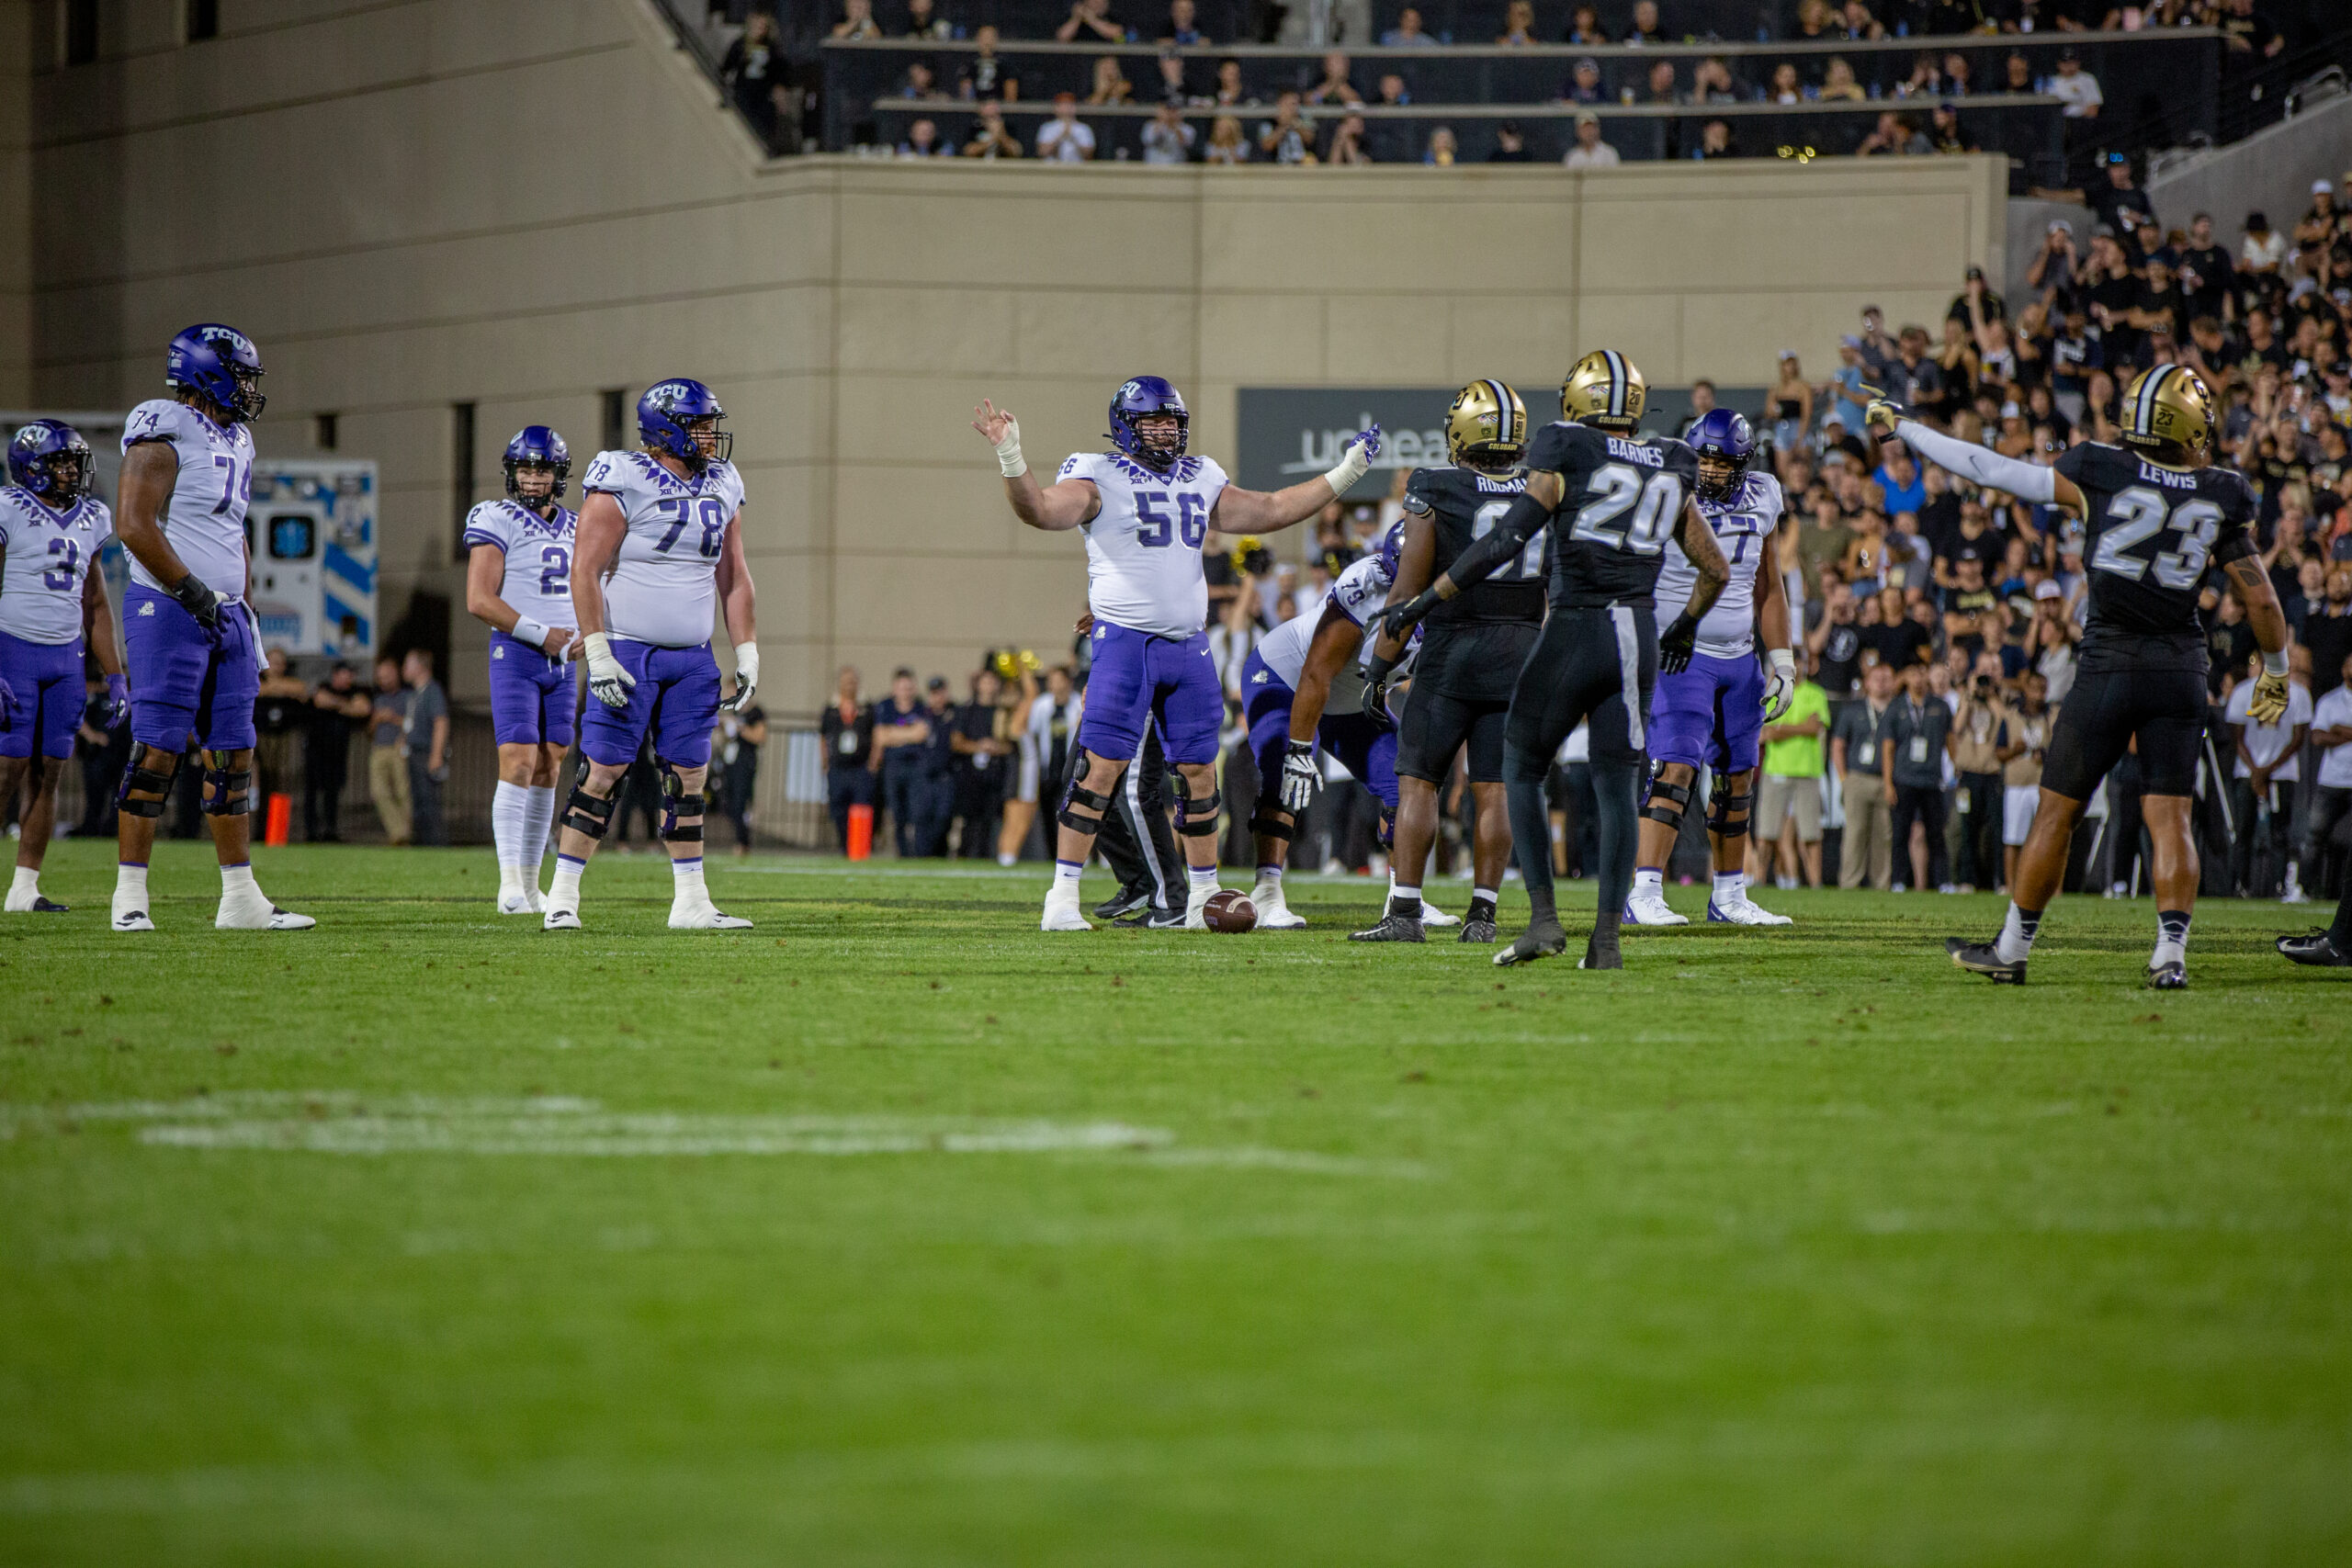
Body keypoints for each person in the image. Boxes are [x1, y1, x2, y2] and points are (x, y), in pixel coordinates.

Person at [1877, 366, 2290, 988]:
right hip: (2180, 669)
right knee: (2171, 815)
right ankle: (2170, 955)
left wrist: (1906, 426)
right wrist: (2276, 669)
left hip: (2106, 664)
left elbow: (1988, 468)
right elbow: (2259, 599)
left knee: (2055, 814)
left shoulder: (2100, 466)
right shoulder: (2223, 490)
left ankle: (2014, 948)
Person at [972, 377, 1379, 931]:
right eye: (1153, 422)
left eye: (1172, 421)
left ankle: (1200, 898)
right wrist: (1011, 455)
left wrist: (1346, 474)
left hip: (1189, 645)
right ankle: (1062, 896)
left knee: (1200, 774)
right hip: (1126, 642)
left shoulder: (1201, 475)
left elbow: (1271, 507)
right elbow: (1039, 510)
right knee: (1100, 768)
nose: (1166, 431)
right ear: (1124, 426)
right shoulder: (1099, 473)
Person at [1375, 350, 1728, 969]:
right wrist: (1685, 628)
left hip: (1557, 630)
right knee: (1614, 786)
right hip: (1631, 635)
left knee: (1499, 769)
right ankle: (1589, 939)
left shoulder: (1563, 450)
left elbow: (1504, 539)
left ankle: (1522, 918)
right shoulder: (1672, 460)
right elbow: (1715, 567)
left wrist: (1423, 605)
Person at [108, 325, 311, 931]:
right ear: (208, 372)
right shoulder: (163, 428)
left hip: (223, 614)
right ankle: (130, 897)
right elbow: (133, 524)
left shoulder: (238, 437)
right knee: (157, 750)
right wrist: (191, 589)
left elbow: (232, 533)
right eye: (242, 376)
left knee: (234, 752)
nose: (249, 390)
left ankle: (240, 897)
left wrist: (242, 606)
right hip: (168, 608)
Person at [548, 378, 759, 932]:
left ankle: (691, 901)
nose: (711, 435)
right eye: (699, 424)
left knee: (690, 776)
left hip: (691, 657)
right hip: (627, 649)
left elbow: (733, 574)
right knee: (604, 770)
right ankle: (563, 895)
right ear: (665, 428)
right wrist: (597, 649)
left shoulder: (724, 481)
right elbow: (584, 568)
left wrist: (748, 649)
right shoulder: (624, 475)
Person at [1357, 381, 1544, 945]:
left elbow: (1408, 591)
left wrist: (1380, 668)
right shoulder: (1545, 489)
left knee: (1419, 782)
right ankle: (1483, 918)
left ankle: (1406, 914)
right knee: (1496, 788)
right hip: (1522, 652)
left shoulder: (1434, 486)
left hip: (1454, 650)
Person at [1621, 410, 1797, 928]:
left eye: (1723, 462)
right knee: (1675, 768)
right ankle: (1644, 890)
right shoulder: (1668, 489)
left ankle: (1729, 895)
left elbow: (1769, 586)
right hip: (1681, 652)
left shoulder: (1765, 494)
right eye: (1704, 460)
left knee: (1738, 777)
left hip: (1740, 655)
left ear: (1744, 463)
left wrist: (1782, 660)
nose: (1711, 470)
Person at [1250, 531, 1416, 931]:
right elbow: (1316, 671)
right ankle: (1267, 889)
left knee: (1409, 782)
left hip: (1350, 697)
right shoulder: (1366, 586)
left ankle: (1404, 899)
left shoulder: (1450, 597)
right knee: (1283, 774)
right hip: (1287, 677)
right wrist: (1299, 749)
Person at [0, 420, 124, 913]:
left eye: (74, 461)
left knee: (49, 770)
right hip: (15, 650)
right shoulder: (8, 506)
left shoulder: (92, 516)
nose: (71, 470)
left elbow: (95, 603)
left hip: (66, 656)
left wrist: (115, 673)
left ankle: (24, 888)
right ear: (30, 466)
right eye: (60, 461)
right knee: (7, 766)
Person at [462, 424, 580, 911]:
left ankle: (532, 885)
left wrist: (589, 636)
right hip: (517, 654)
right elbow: (479, 599)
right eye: (525, 469)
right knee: (518, 760)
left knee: (551, 764)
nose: (533, 479)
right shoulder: (497, 517)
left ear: (558, 474)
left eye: (543, 469)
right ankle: (509, 880)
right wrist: (542, 633)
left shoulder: (580, 523)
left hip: (565, 661)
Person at [2223, 649, 2309, 898]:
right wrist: (2256, 771)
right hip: (2247, 771)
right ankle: (2240, 884)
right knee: (2244, 830)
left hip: (2282, 773)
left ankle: (2279, 886)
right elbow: (2237, 738)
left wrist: (2267, 770)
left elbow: (2298, 738)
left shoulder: (2298, 693)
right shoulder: (2243, 691)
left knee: (2279, 833)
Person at [1753, 649, 1829, 890]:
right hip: (1776, 770)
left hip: (1808, 771)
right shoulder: (1772, 693)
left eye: (1799, 662)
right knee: (1766, 832)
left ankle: (1816, 885)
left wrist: (1781, 729)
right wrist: (1798, 727)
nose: (1796, 667)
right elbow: (1765, 734)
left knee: (1810, 834)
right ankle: (1758, 881)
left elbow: (1814, 727)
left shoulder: (1816, 693)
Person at [1832, 660, 1896, 890]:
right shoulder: (1854, 710)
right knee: (1854, 834)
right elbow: (1838, 744)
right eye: (1876, 678)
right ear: (1867, 683)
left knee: (1884, 835)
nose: (1880, 682)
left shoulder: (1898, 710)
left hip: (1887, 780)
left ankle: (1882, 885)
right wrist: (1844, 779)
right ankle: (1849, 883)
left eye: (1886, 678)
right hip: (1858, 777)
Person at [1997, 668, 2056, 896]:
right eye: (2034, 689)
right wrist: (2015, 751)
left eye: (2043, 689)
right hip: (2017, 783)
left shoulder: (2053, 715)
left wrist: (2046, 757)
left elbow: (2064, 751)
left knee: (2047, 839)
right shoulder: (2011, 715)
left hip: (2043, 784)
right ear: (2025, 690)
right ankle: (2012, 886)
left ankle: (2051, 888)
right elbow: (1999, 753)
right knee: (2013, 838)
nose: (2039, 694)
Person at [950, 667, 1013, 857]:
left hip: (994, 773)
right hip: (971, 774)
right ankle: (964, 854)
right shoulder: (966, 710)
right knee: (969, 819)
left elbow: (1010, 744)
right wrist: (979, 746)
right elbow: (956, 742)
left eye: (993, 682)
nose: (989, 686)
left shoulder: (1002, 712)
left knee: (990, 820)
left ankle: (985, 855)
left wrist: (995, 748)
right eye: (985, 681)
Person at [302, 661, 368, 842]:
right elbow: (318, 699)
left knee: (332, 792)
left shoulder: (354, 692)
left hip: (337, 752)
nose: (349, 678)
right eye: (345, 673)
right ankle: (311, 831)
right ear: (335, 674)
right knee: (312, 792)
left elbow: (362, 709)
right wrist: (346, 706)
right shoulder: (323, 687)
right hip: (316, 750)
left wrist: (335, 704)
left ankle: (330, 830)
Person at [820, 665, 875, 852]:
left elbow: (875, 735)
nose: (849, 686)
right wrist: (825, 763)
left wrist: (873, 763)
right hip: (838, 766)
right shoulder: (831, 709)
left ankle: (860, 847)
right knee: (838, 808)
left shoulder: (867, 708)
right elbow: (823, 737)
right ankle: (845, 846)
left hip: (860, 767)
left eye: (852, 681)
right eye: (845, 682)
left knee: (861, 807)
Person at [399, 649, 449, 847]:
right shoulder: (415, 694)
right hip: (414, 752)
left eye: (407, 664)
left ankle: (435, 843)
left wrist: (436, 755)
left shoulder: (432, 691)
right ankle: (421, 843)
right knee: (418, 801)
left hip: (425, 752)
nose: (404, 669)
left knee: (428, 801)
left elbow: (440, 721)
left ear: (420, 667)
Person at [367, 655, 410, 844]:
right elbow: (369, 731)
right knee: (378, 792)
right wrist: (376, 719)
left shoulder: (408, 697)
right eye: (381, 677)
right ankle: (399, 832)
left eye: (388, 675)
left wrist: (393, 718)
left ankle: (404, 834)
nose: (384, 680)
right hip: (379, 748)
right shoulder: (377, 699)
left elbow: (413, 724)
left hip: (398, 748)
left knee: (403, 792)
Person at [716, 696, 766, 855]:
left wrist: (740, 727)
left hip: (745, 764)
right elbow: (727, 739)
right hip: (730, 763)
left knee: (740, 803)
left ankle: (743, 842)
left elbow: (759, 737)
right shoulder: (734, 712)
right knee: (727, 802)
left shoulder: (756, 713)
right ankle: (741, 839)